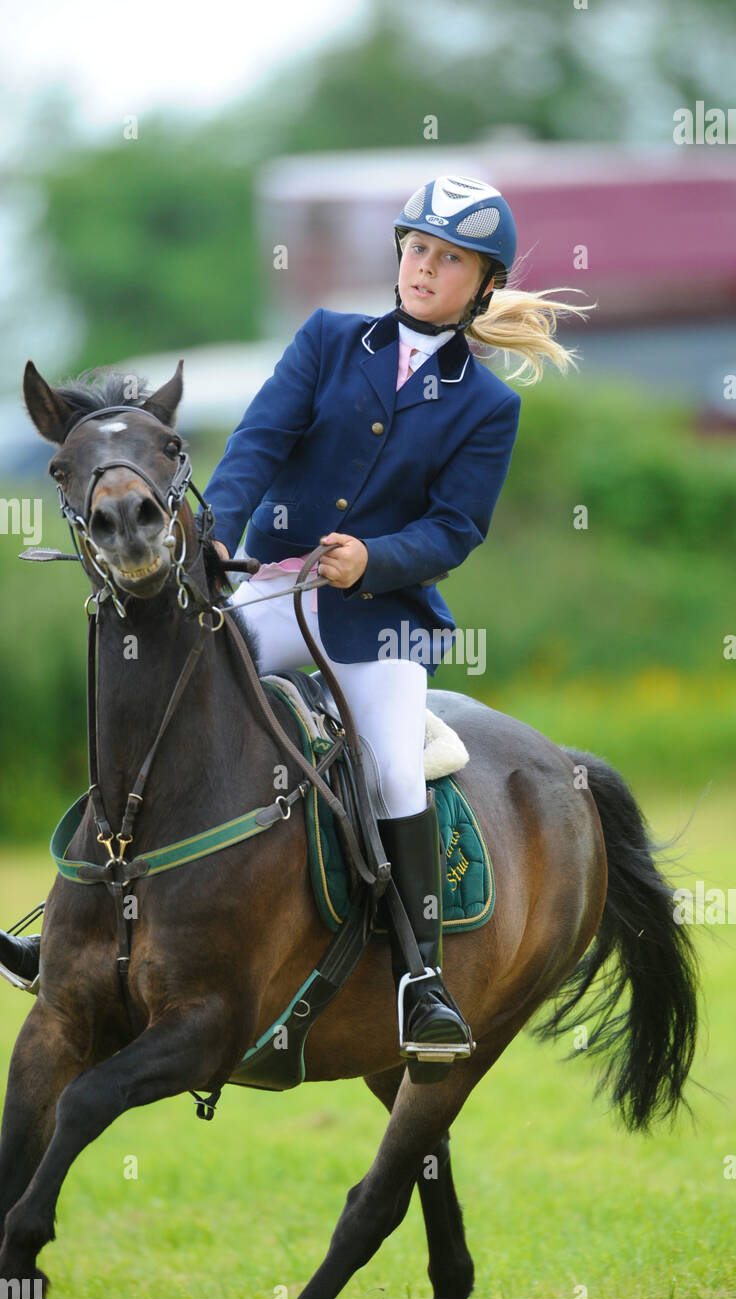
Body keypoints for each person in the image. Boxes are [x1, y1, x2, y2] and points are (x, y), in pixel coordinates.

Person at [0, 175, 587, 1081]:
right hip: (265, 588)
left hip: (375, 622)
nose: (425, 268)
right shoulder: (325, 339)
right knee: (155, 702)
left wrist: (376, 560)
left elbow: (455, 529)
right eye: (417, 250)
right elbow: (260, 443)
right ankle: (69, 930)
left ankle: (422, 980)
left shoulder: (487, 406)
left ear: (482, 282)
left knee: (392, 763)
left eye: (449, 259)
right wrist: (216, 535)